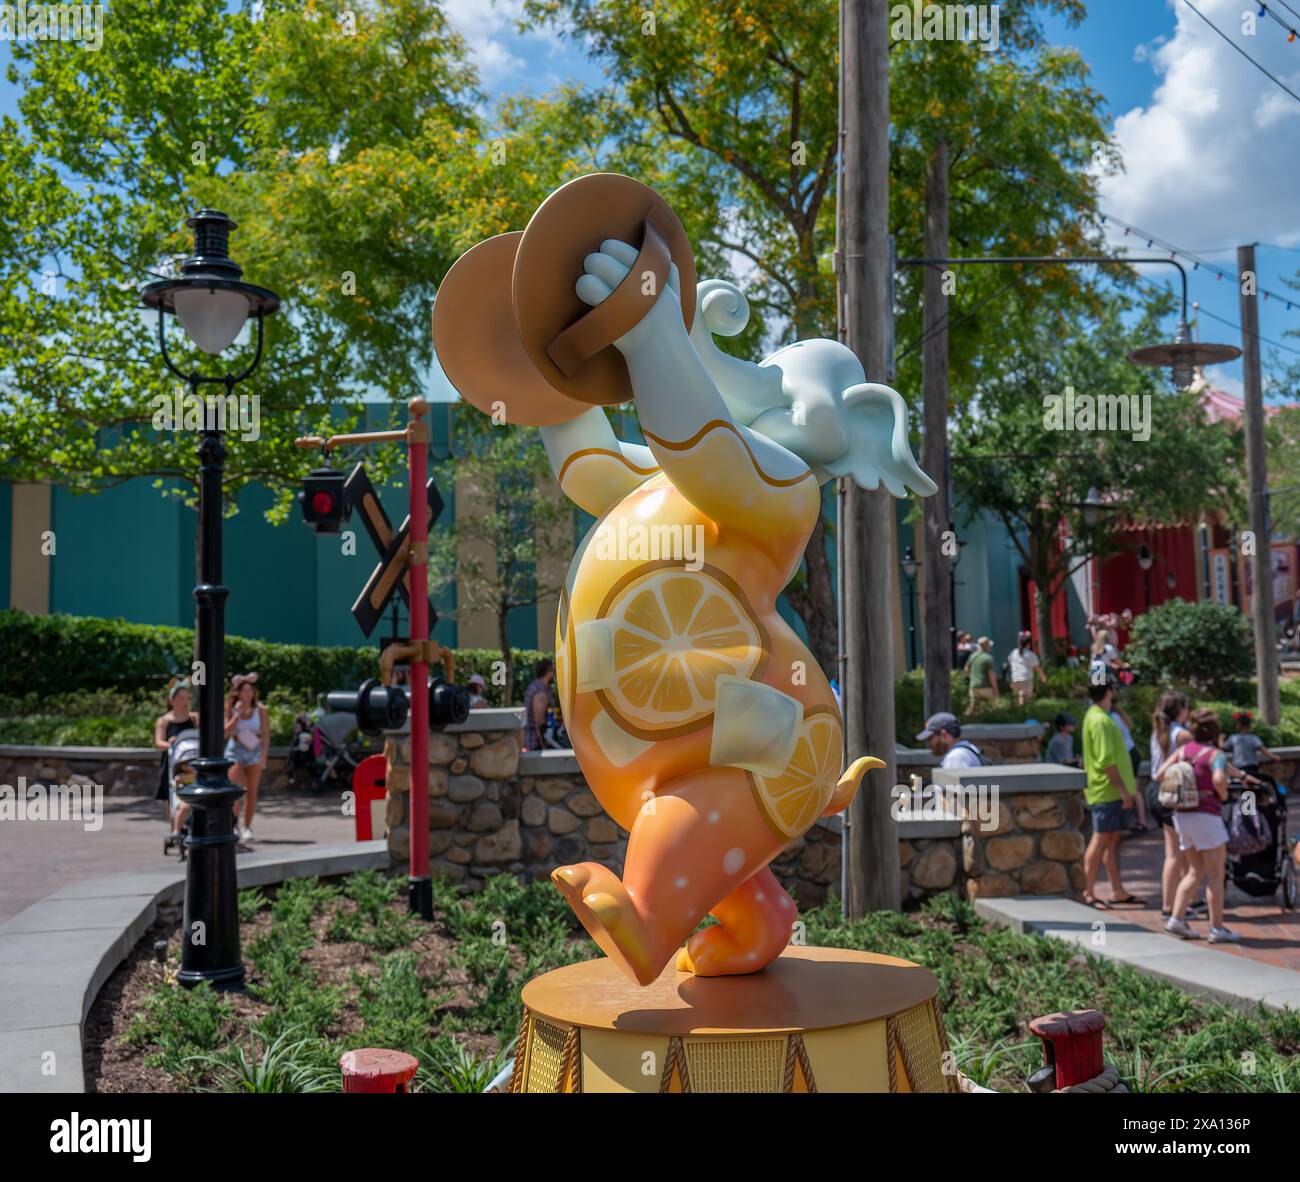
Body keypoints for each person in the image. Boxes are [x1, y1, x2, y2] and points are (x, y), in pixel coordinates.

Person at [1155, 708, 1242, 943]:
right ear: (1214, 732)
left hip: (1183, 817)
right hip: (1207, 818)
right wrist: (1221, 793)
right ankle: (1217, 928)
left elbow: (1159, 774)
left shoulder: (1184, 751)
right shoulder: (1216, 754)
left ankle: (1176, 920)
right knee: (1216, 874)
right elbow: (1219, 779)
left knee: (1194, 871)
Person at [1080, 677, 1142, 909]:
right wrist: (1123, 790)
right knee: (1101, 839)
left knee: (1112, 840)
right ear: (1109, 692)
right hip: (1107, 791)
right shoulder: (1101, 721)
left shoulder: (1095, 716)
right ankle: (1087, 892)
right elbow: (1106, 760)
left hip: (1108, 791)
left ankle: (1117, 890)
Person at [1148, 690, 1201, 918]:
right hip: (1173, 794)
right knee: (1177, 854)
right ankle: (1171, 906)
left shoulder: (1159, 730)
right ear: (1181, 711)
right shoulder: (1182, 735)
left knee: (1174, 852)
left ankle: (1180, 901)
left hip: (1157, 793)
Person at [224, 672, 268, 845]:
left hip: (254, 751)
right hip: (235, 749)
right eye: (244, 690)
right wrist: (237, 715)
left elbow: (265, 733)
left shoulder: (261, 709)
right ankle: (233, 824)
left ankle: (247, 827)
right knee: (235, 791)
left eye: (250, 690)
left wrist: (263, 756)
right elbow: (226, 732)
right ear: (238, 693)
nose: (248, 694)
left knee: (251, 792)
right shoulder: (230, 707)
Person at [154, 678, 197, 844]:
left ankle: (186, 826)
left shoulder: (193, 718)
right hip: (173, 761)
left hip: (191, 762)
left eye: (187, 699)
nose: (185, 702)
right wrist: (168, 743)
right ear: (172, 700)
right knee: (171, 796)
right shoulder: (164, 720)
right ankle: (175, 830)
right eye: (181, 699)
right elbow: (158, 741)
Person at [1109, 698, 1149, 831]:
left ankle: (1142, 821)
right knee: (1132, 788)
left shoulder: (1113, 717)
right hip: (1131, 753)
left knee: (1133, 789)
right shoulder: (1117, 716)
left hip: (1128, 755)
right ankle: (1138, 821)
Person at [915, 712, 987, 769]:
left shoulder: (955, 757)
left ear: (944, 734)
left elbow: (955, 787)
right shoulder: (966, 749)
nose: (929, 743)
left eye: (930, 738)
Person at [1222, 711, 1276, 777]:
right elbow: (1264, 750)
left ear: (1239, 725)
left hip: (1237, 768)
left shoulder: (1233, 738)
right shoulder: (1254, 738)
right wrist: (1274, 757)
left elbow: (1223, 747)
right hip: (1252, 768)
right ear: (1249, 725)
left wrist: (1220, 739)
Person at [521, 658, 555, 752]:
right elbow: (539, 721)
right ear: (548, 672)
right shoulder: (540, 692)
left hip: (535, 741)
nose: (554, 675)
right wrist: (544, 744)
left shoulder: (538, 687)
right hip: (536, 743)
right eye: (553, 671)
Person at [1006, 631, 1044, 705]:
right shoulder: (1030, 654)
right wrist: (1043, 677)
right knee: (1025, 699)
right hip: (1026, 679)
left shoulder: (1013, 652)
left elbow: (1009, 664)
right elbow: (1037, 668)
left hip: (1015, 679)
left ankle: (1019, 713)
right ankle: (1024, 714)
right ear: (1029, 643)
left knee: (1018, 698)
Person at [966, 636, 997, 712]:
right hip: (986, 686)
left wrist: (973, 678)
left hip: (973, 686)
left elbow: (966, 669)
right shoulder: (988, 658)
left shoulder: (973, 656)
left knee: (975, 708)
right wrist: (995, 689)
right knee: (992, 707)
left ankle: (969, 720)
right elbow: (991, 675)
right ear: (987, 646)